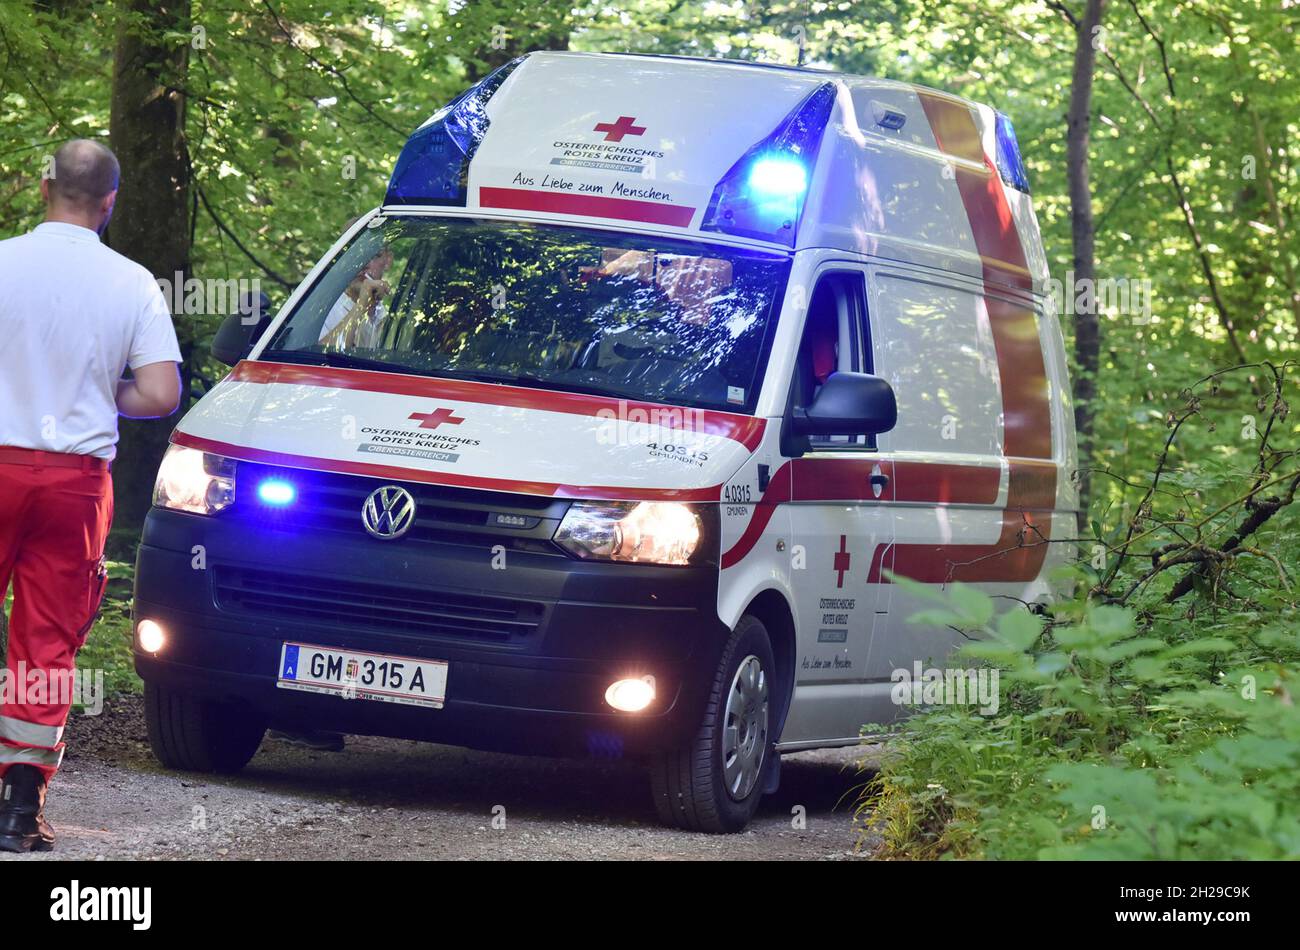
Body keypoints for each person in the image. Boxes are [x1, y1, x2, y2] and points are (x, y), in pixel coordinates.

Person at [0, 139, 182, 853]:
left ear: (45, 186)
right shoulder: (132, 282)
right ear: (111, 202)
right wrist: (94, 389)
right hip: (74, 484)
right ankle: (18, 808)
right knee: (45, 643)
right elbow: (161, 393)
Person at [318, 246, 393, 349]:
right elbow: (322, 358)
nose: (363, 264)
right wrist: (361, 306)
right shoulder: (323, 310)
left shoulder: (388, 318)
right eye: (355, 255)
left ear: (388, 260)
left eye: (374, 255)